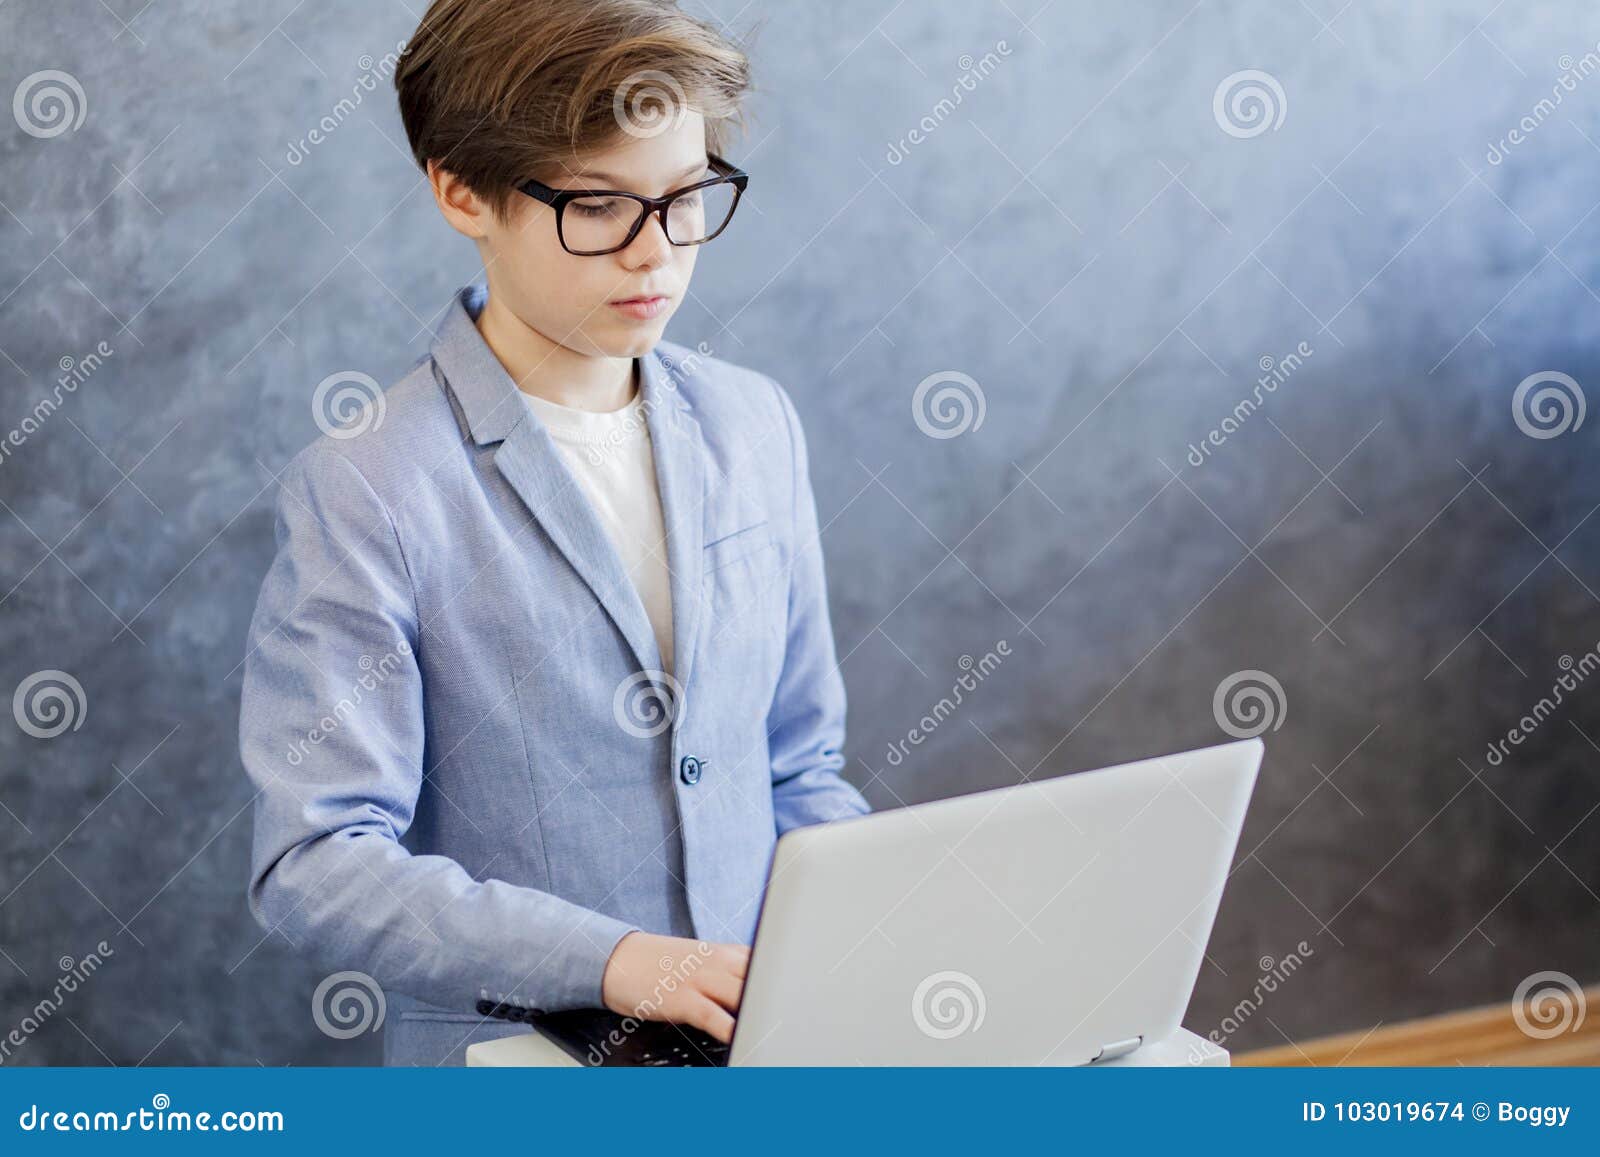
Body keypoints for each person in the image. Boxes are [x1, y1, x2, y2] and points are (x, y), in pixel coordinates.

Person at [238, 0, 870, 1066]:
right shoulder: (366, 485)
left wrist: (889, 926)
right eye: (599, 208)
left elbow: (798, 762)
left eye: (684, 200)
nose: (654, 256)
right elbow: (316, 859)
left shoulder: (755, 423)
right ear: (459, 190)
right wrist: (615, 958)